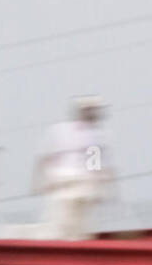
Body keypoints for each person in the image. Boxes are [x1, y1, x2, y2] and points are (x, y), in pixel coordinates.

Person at [32, 96, 115, 240]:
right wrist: (40, 181)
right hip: (64, 184)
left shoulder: (93, 135)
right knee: (62, 226)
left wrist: (102, 188)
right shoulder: (63, 131)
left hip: (78, 185)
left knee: (76, 227)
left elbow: (94, 167)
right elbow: (46, 159)